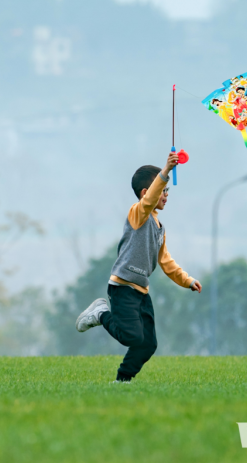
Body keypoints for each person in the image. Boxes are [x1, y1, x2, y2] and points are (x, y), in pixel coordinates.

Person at [75, 152, 201, 383]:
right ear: (147, 193)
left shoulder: (159, 227)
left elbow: (166, 261)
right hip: (122, 287)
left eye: (167, 191)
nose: (166, 195)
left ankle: (122, 381)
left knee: (148, 344)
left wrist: (187, 280)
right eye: (164, 190)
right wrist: (165, 171)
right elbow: (150, 199)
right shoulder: (138, 214)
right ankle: (100, 314)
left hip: (141, 291)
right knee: (132, 336)